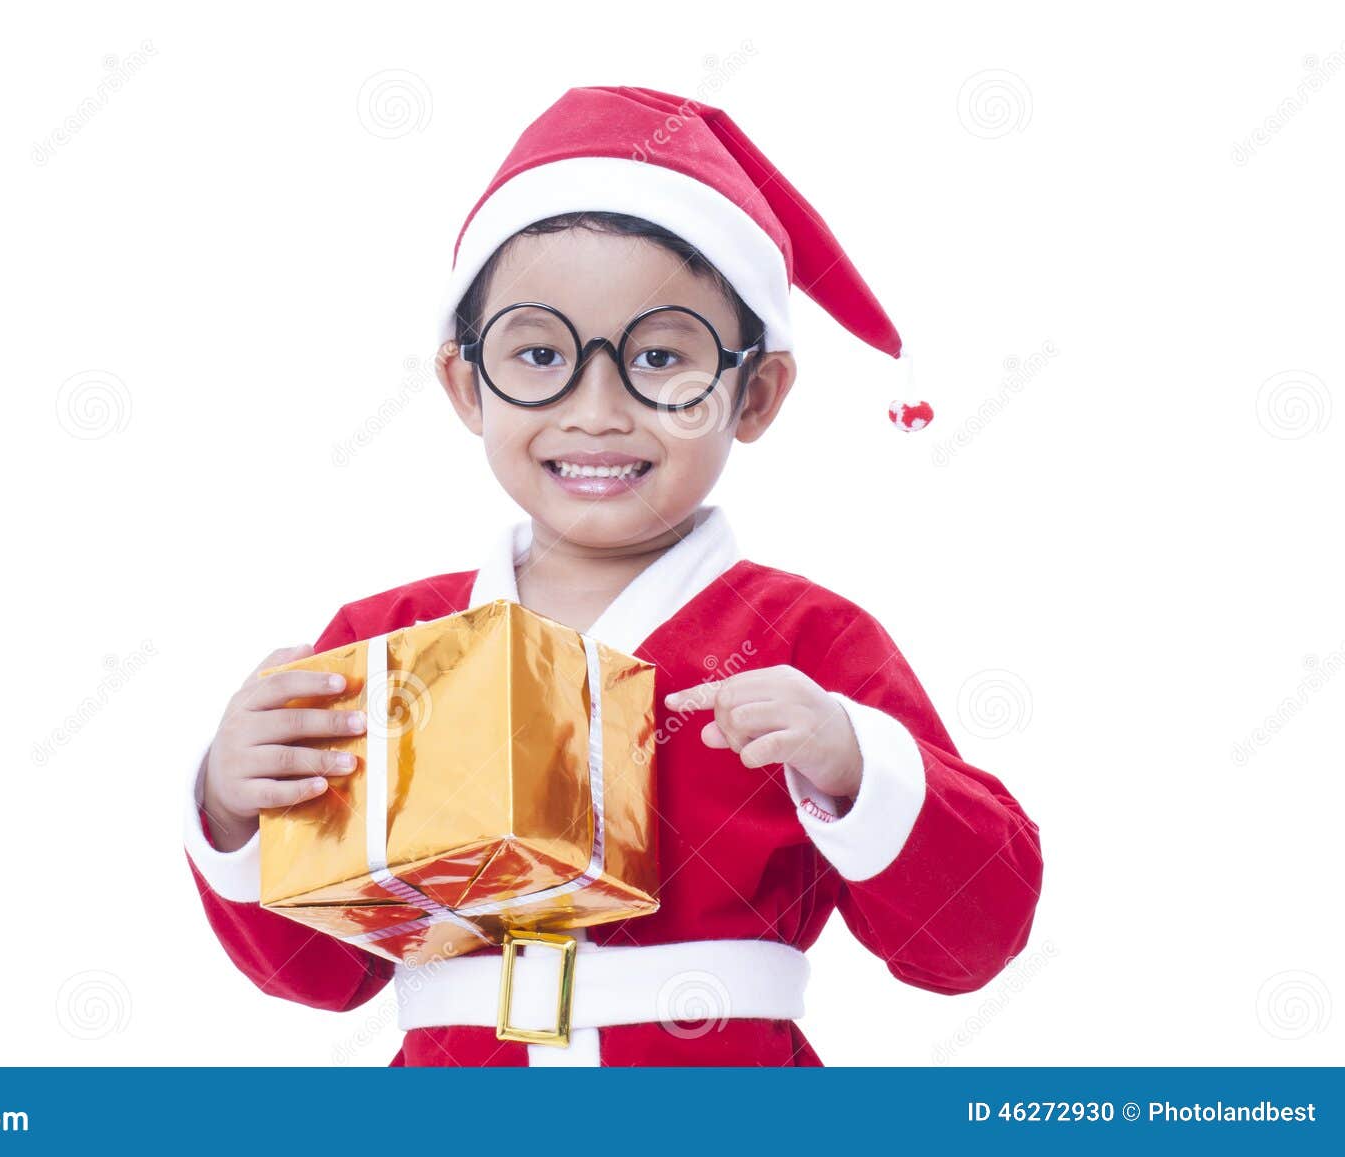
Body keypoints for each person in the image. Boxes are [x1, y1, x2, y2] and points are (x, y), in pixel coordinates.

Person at [183, 85, 1043, 1067]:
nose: (596, 410)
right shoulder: (383, 643)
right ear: (465, 382)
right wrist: (232, 807)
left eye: (661, 356)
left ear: (755, 393)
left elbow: (968, 942)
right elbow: (318, 974)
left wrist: (855, 764)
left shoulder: (810, 642)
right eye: (539, 353)